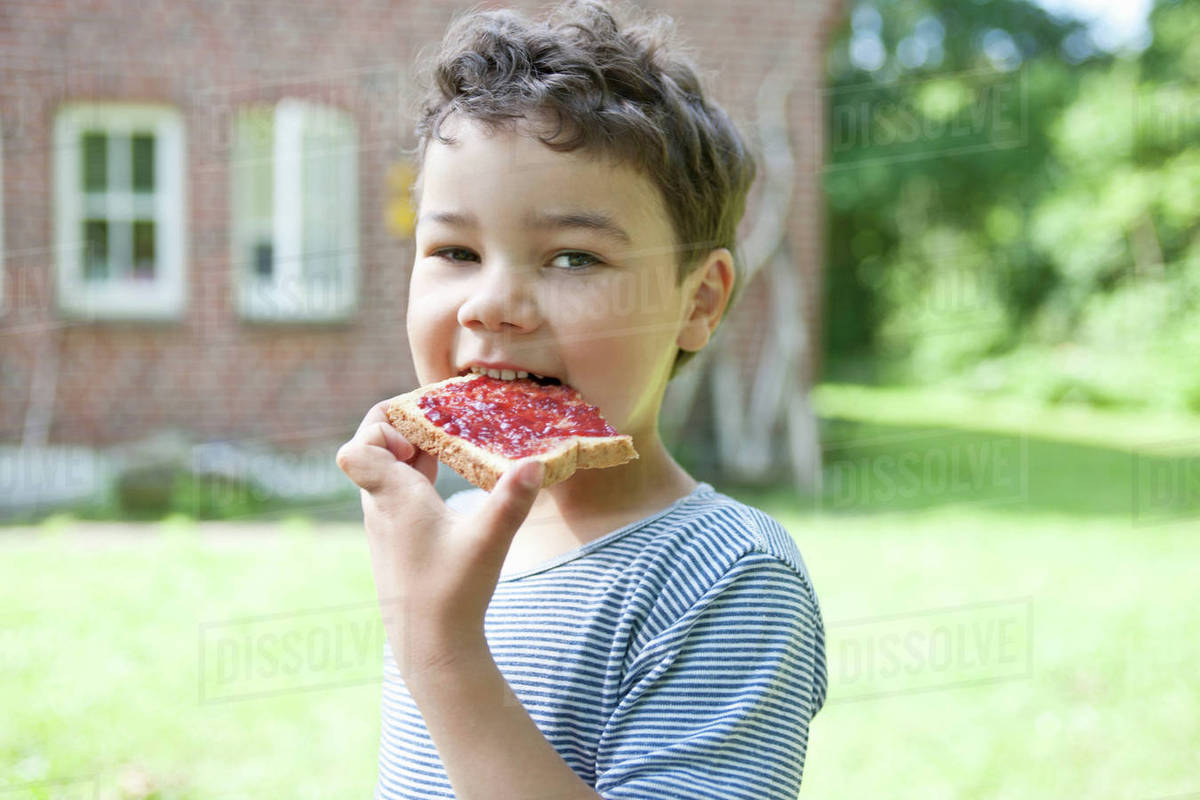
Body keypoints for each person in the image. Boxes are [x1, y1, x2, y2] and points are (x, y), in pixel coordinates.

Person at [335, 1, 827, 797]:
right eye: (455, 250)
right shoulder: (445, 540)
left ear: (698, 302)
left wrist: (441, 647)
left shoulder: (729, 580)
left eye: (572, 259)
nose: (490, 305)